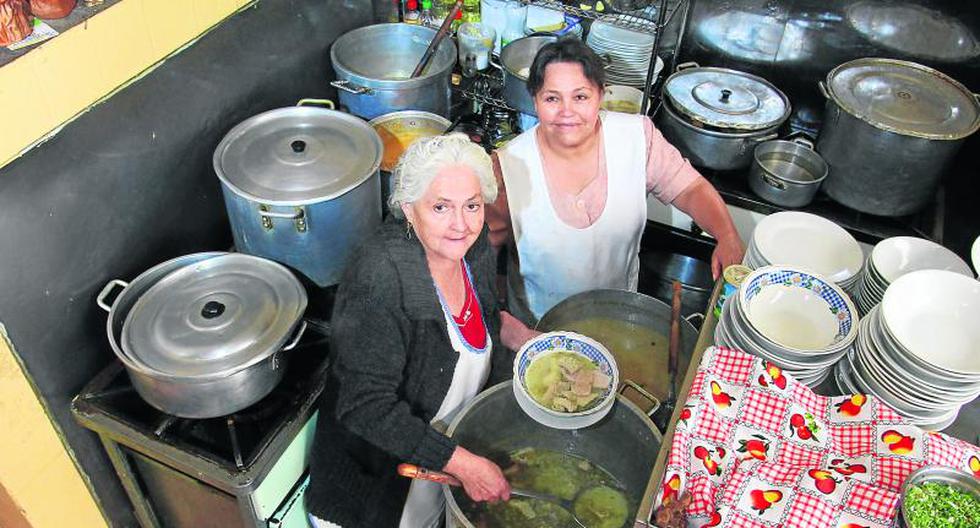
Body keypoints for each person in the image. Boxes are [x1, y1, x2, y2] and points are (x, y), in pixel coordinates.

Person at [306, 133, 536, 528]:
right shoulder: (380, 279)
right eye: (440, 207)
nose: (460, 224)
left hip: (437, 470)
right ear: (409, 209)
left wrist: (532, 344)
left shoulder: (472, 244)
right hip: (373, 494)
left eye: (472, 205)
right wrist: (465, 464)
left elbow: (483, 315)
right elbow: (365, 406)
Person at [487, 38, 745, 325]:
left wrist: (727, 234)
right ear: (534, 100)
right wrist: (496, 317)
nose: (566, 111)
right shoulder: (509, 165)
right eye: (552, 98)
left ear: (601, 94)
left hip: (617, 321)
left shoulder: (635, 138)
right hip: (538, 330)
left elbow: (689, 187)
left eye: (580, 97)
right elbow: (485, 250)